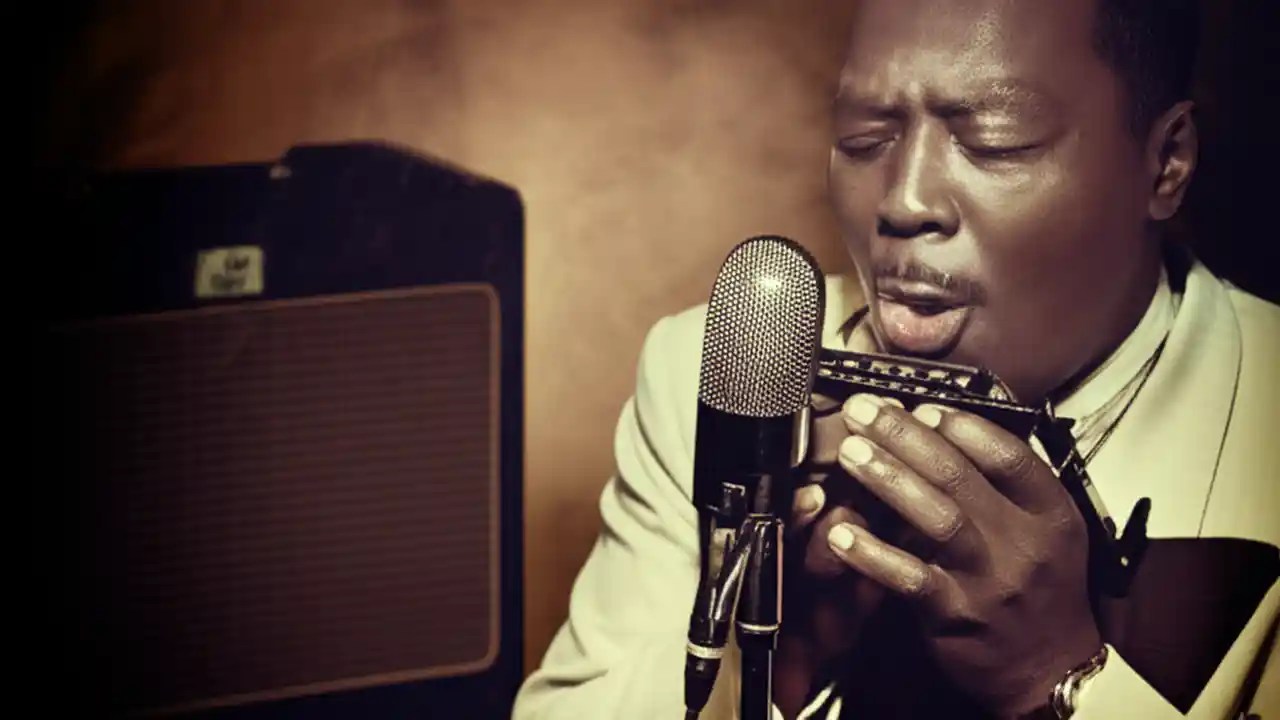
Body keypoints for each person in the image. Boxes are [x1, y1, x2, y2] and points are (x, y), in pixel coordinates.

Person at [513, 0, 1280, 717]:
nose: (903, 201)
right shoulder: (726, 370)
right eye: (863, 138)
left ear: (1166, 163)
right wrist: (781, 660)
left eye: (995, 141)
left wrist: (1053, 676)